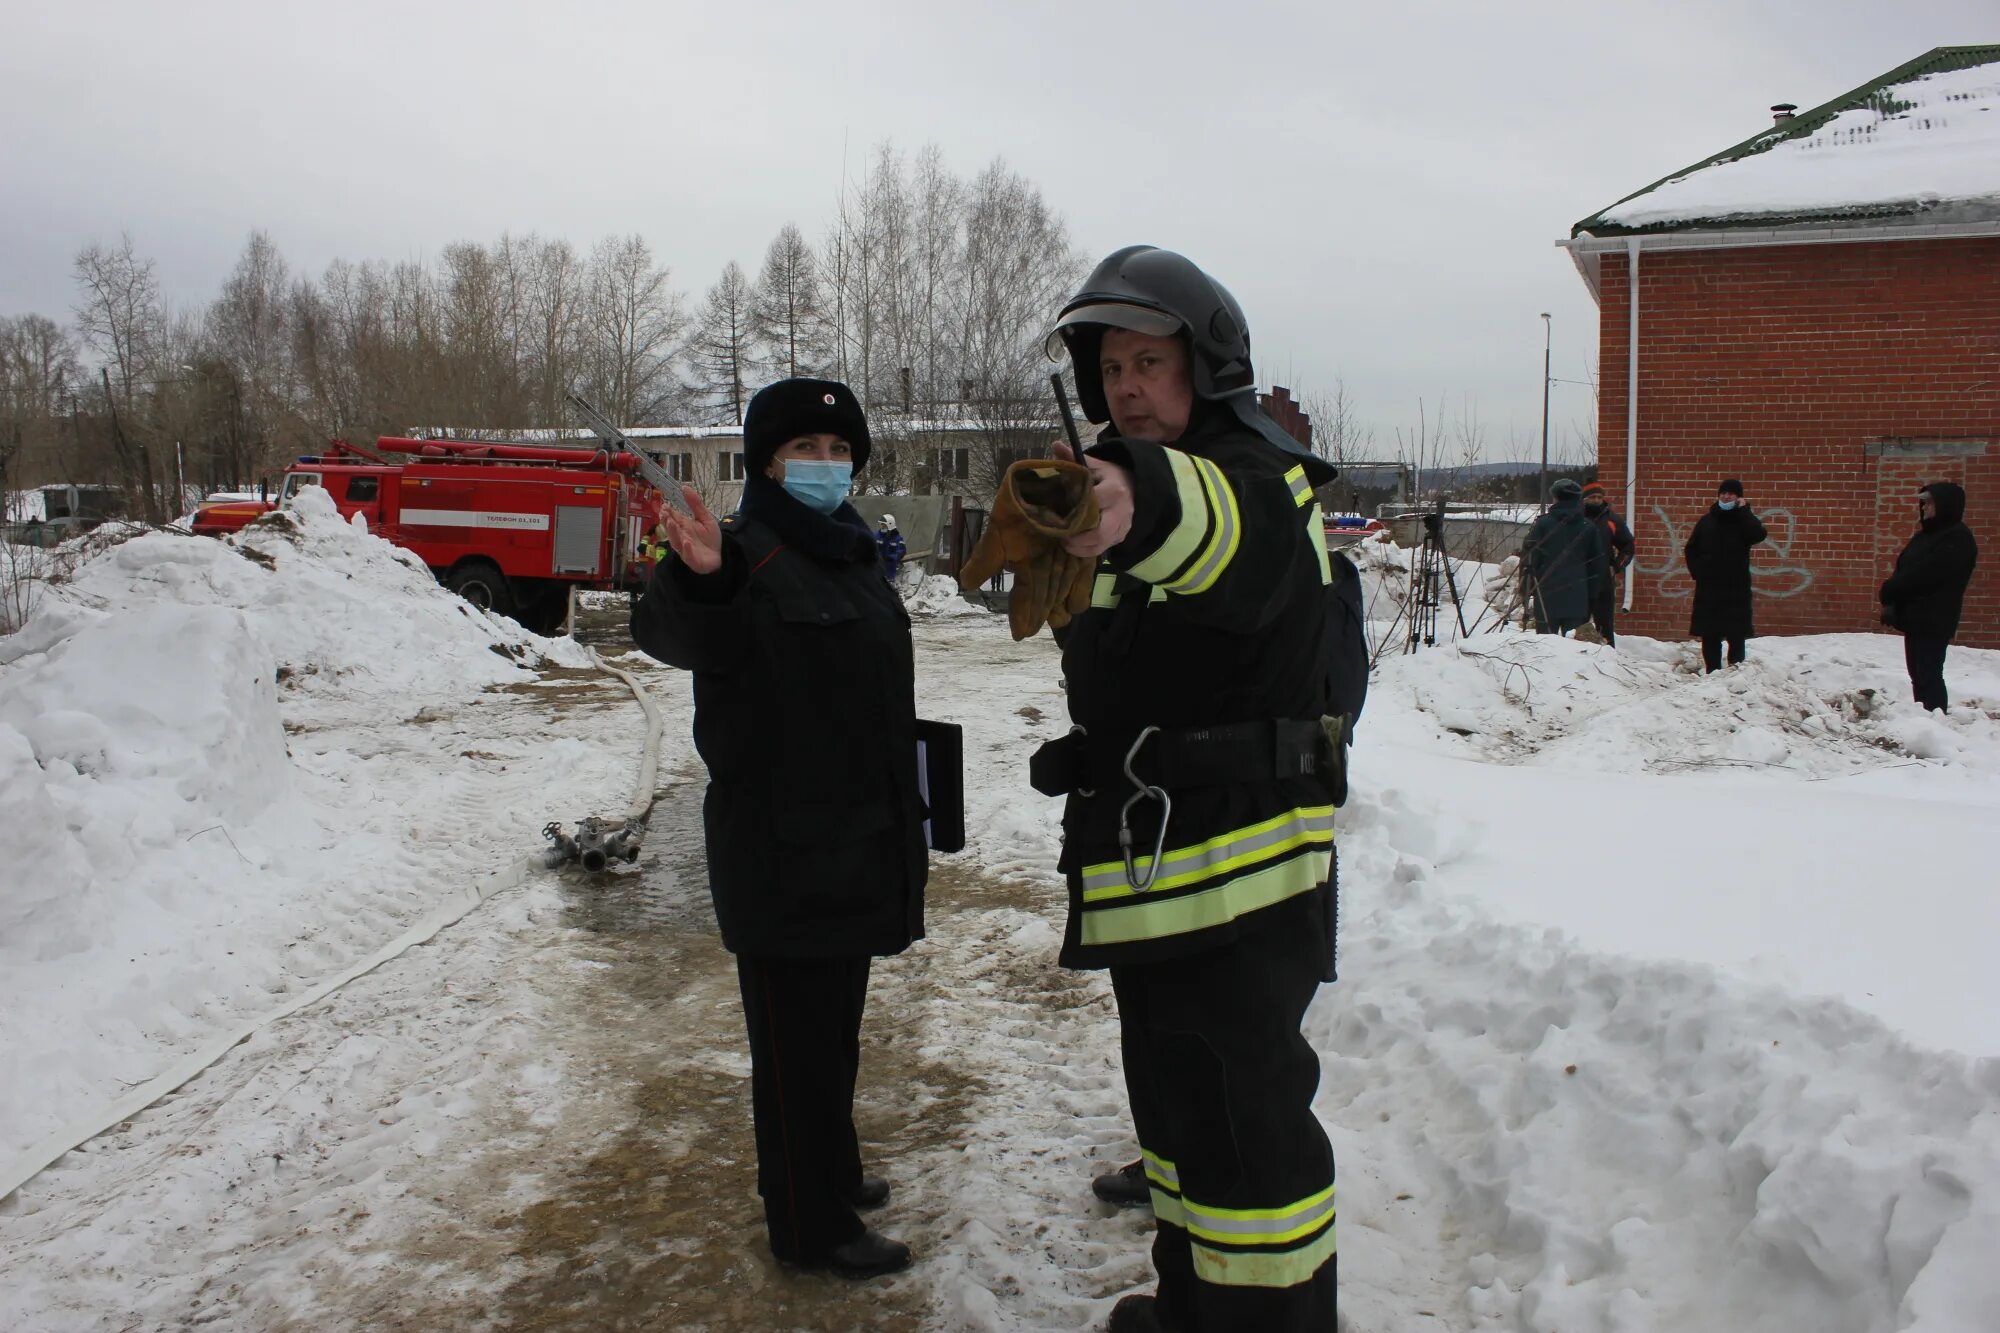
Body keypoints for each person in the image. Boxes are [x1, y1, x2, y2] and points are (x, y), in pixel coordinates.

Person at [1035, 246, 1340, 1332]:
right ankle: (1189, 1309)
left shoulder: (1256, 479)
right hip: (1162, 884)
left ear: (1206, 366)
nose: (1125, 385)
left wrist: (1133, 500)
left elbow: (1214, 526)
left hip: (1238, 891)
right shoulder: (1114, 498)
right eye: (1110, 366)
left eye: (1149, 360)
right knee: (1177, 1131)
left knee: (1248, 1153)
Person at [629, 377, 927, 1279]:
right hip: (784, 848)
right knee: (794, 1048)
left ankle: (832, 1171)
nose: (827, 467)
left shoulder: (851, 553)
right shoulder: (740, 554)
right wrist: (701, 576)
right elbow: (677, 631)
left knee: (835, 1030)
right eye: (806, 451)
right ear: (766, 461)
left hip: (859, 838)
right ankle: (808, 1225)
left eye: (841, 454)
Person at [1879, 482, 1978, 712]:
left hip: (1935, 618)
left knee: (1929, 674)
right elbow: (1905, 567)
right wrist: (1892, 600)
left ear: (1945, 505)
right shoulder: (1925, 536)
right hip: (1914, 617)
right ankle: (1923, 719)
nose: (1924, 508)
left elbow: (1926, 574)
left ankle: (1935, 719)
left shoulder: (1957, 539)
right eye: (1923, 503)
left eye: (1930, 503)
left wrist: (1891, 590)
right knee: (1917, 675)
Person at [1683, 478, 1767, 671]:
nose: (1726, 496)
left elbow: (1758, 534)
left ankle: (1734, 673)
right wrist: (1699, 571)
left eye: (1731, 493)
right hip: (1709, 587)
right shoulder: (1707, 521)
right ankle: (1712, 672)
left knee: (1736, 634)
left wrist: (1744, 511)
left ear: (1738, 497)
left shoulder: (1743, 521)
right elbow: (1691, 549)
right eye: (1723, 493)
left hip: (1735, 588)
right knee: (1710, 634)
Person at [1522, 479, 1605, 635]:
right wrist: (1593, 596)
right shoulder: (1589, 527)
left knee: (1545, 648)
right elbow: (1597, 566)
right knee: (1574, 649)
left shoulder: (1542, 525)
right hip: (1578, 596)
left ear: (1555, 498)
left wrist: (1525, 592)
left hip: (1546, 595)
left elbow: (1530, 561)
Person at [1581, 480, 1635, 645]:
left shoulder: (1611, 519)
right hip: (1578, 578)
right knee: (1578, 624)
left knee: (1604, 624)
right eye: (1592, 497)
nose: (1597, 500)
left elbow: (1628, 545)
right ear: (1584, 499)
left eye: (1599, 496)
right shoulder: (1576, 518)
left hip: (1603, 580)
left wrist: (1617, 566)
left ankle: (1608, 657)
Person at [876, 513, 907, 584]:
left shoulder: (897, 538)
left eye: (883, 525)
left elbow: (902, 550)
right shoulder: (877, 536)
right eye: (881, 524)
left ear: (889, 525)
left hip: (889, 569)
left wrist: (891, 557)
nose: (881, 527)